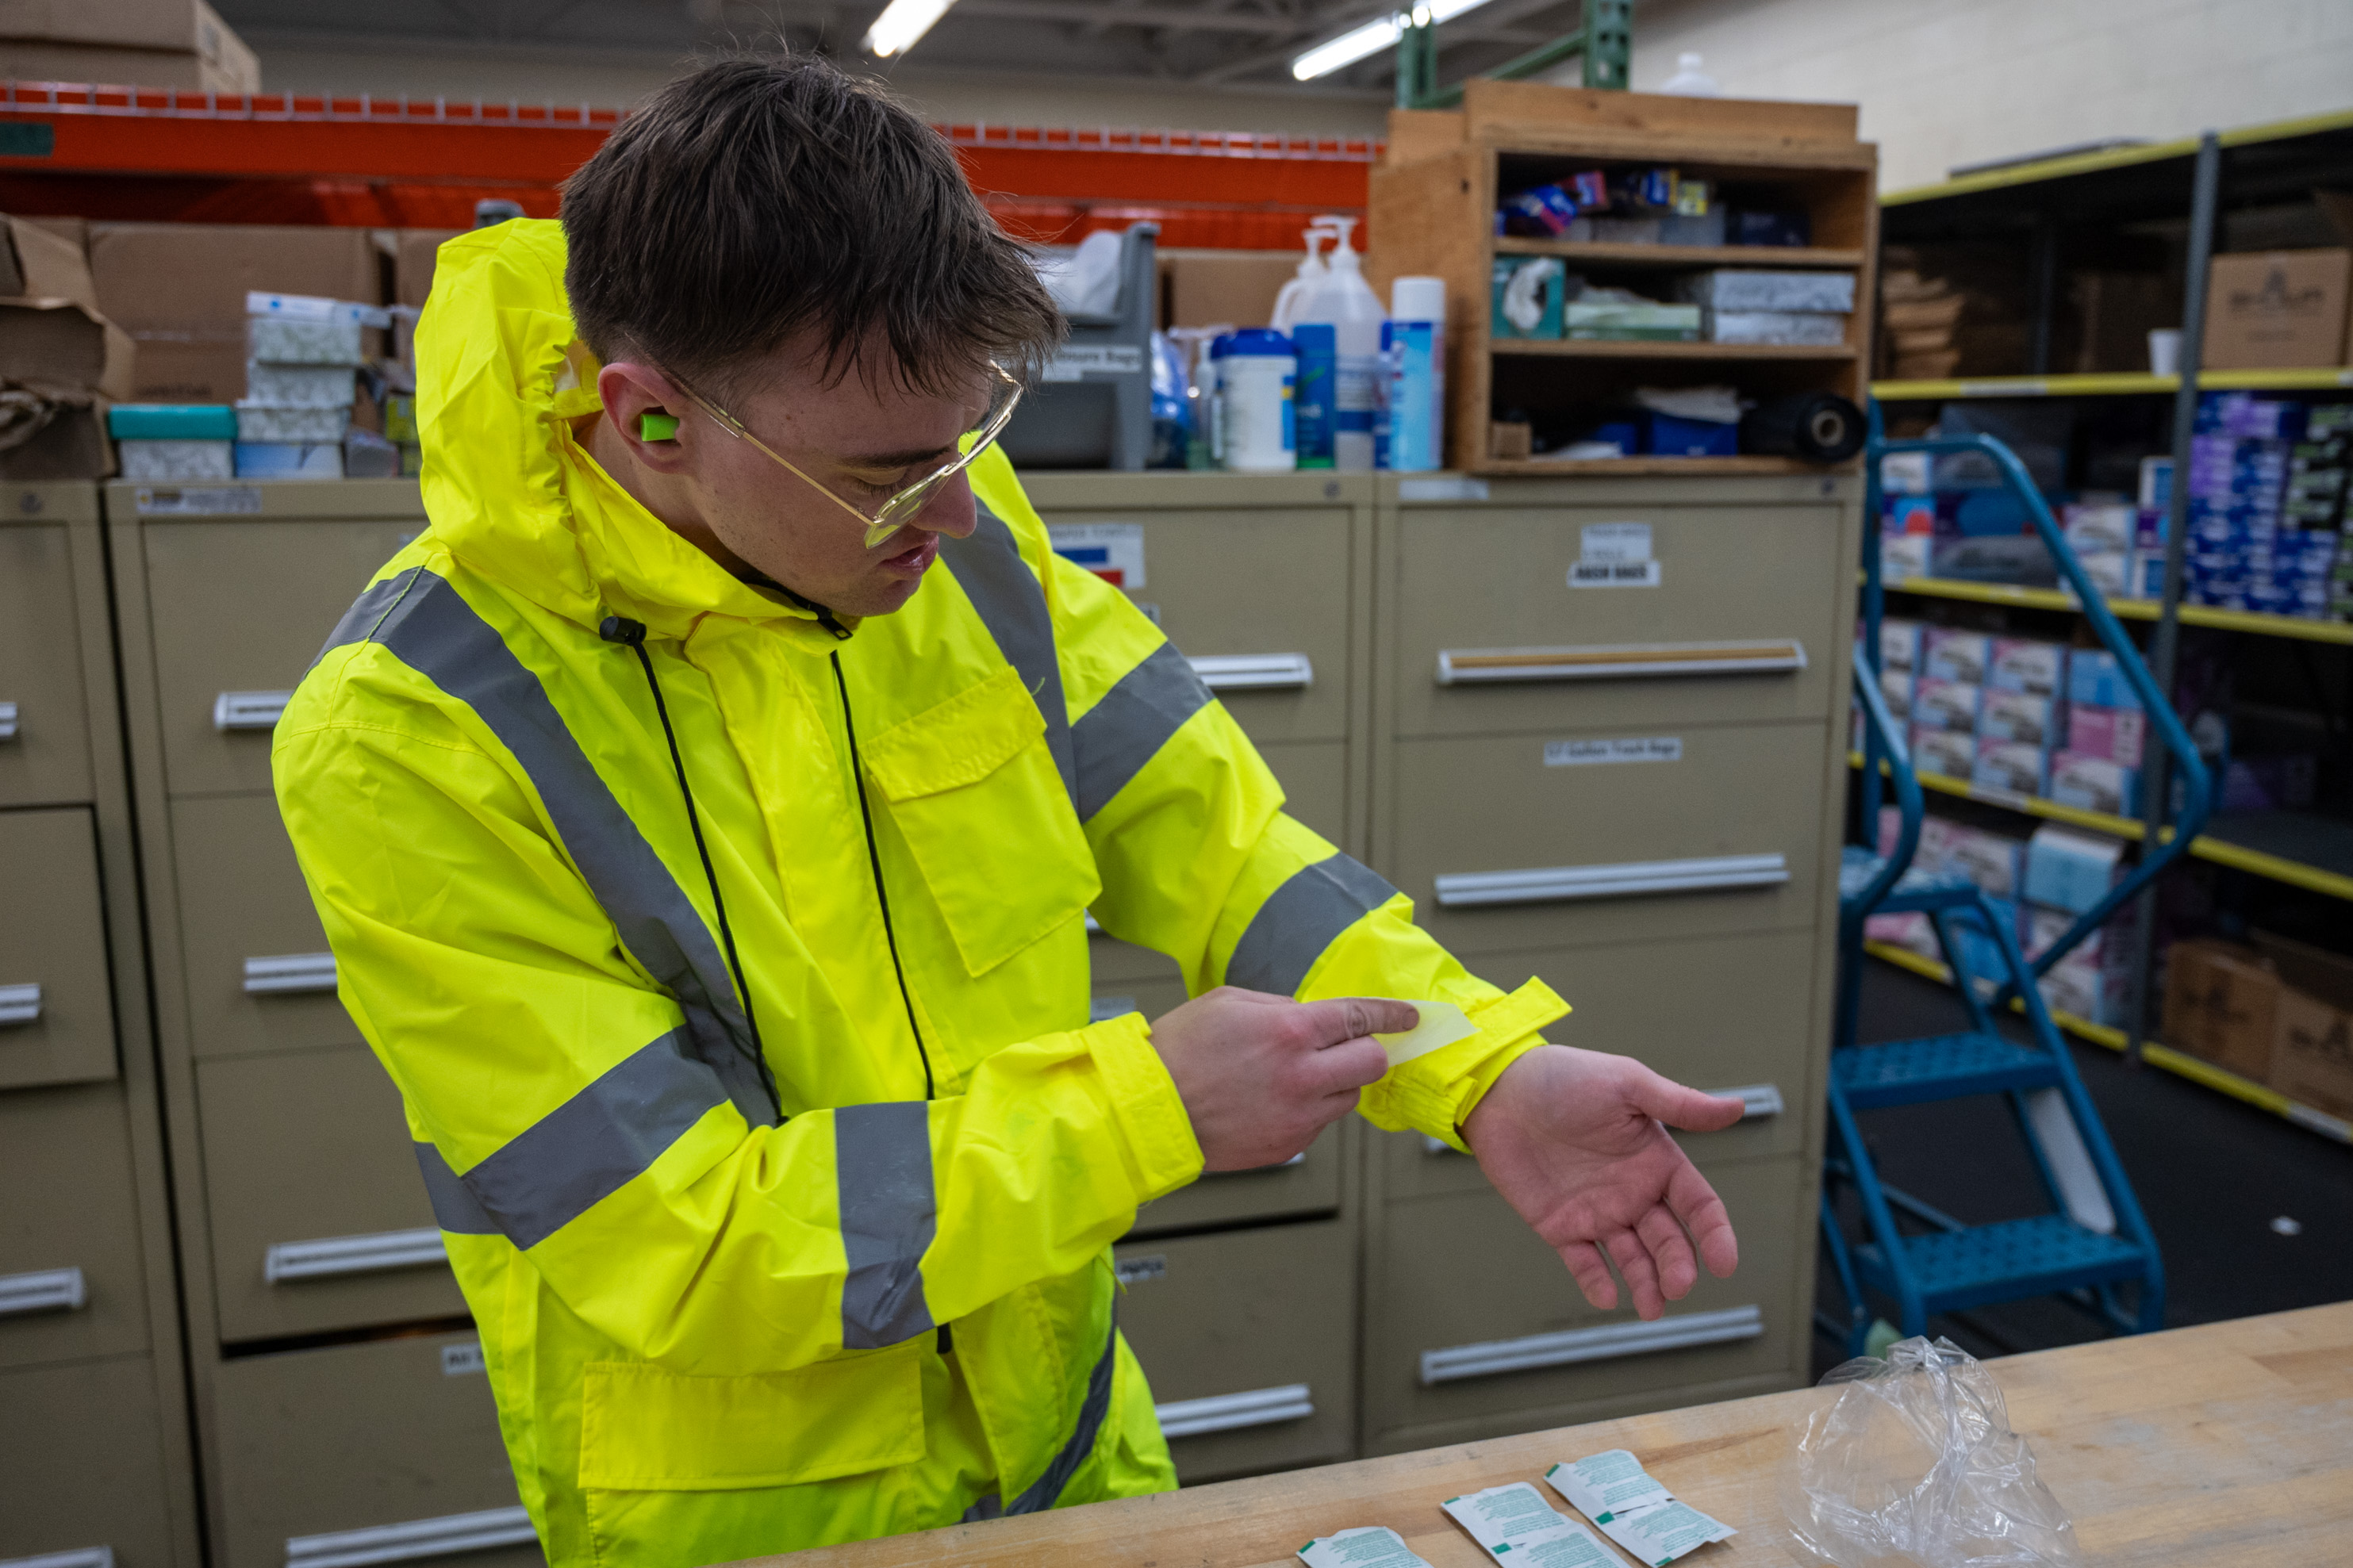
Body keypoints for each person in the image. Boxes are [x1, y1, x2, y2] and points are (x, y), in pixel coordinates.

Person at [272, 52, 1745, 1568]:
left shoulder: (942, 537)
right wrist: (1146, 1106)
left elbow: (1227, 850)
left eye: (971, 437)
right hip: (757, 1518)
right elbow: (685, 1238)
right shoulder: (412, 736)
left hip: (1071, 1448)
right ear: (649, 419)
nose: (965, 508)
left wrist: (1477, 1064)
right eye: (891, 472)